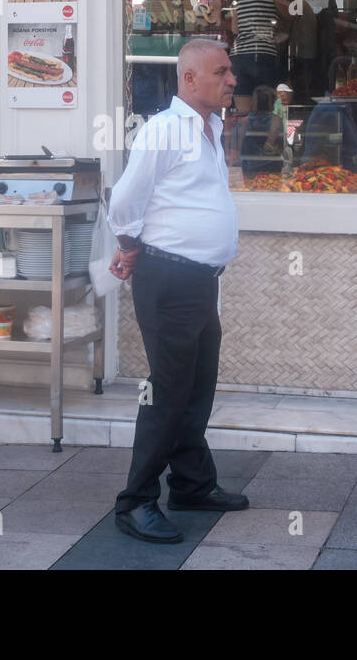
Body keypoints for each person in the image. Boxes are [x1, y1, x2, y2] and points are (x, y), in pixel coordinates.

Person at [107, 38, 248, 543]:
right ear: (189, 78)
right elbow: (123, 203)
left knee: (196, 388)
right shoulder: (164, 132)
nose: (232, 79)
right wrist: (131, 247)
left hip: (200, 282)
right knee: (166, 393)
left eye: (230, 71)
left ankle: (190, 485)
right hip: (168, 280)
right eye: (222, 71)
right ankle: (136, 501)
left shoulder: (210, 127)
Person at [228, 0, 294, 114]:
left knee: (243, 112)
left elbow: (234, 29)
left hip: (238, 57)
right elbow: (293, 13)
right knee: (269, 109)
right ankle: (271, 137)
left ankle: (244, 136)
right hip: (262, 54)